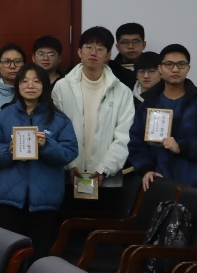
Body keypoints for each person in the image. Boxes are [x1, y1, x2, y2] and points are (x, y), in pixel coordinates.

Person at [0, 64, 79, 259]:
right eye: (25, 81)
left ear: (45, 86)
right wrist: (9, 150)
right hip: (10, 199)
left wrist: (47, 145)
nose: (30, 85)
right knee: (10, 255)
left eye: (36, 81)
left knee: (40, 254)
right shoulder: (4, 116)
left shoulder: (59, 118)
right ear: (18, 85)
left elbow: (69, 153)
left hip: (45, 199)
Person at [51, 26, 136, 210]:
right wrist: (70, 165)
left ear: (108, 55)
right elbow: (56, 130)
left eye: (100, 49)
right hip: (68, 177)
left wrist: (104, 169)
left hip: (107, 181)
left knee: (103, 225)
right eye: (88, 47)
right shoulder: (62, 87)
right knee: (69, 224)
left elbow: (124, 136)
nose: (93, 53)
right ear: (79, 52)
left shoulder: (122, 92)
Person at [130, 44, 197, 191]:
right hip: (163, 184)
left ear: (188, 68)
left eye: (181, 64)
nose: (175, 69)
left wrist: (182, 147)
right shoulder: (148, 106)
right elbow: (136, 143)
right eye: (169, 64)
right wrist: (146, 169)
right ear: (160, 68)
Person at [110, 23, 144, 88]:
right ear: (117, 47)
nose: (130, 46)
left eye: (135, 42)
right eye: (125, 42)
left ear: (144, 45)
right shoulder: (109, 69)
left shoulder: (157, 66)